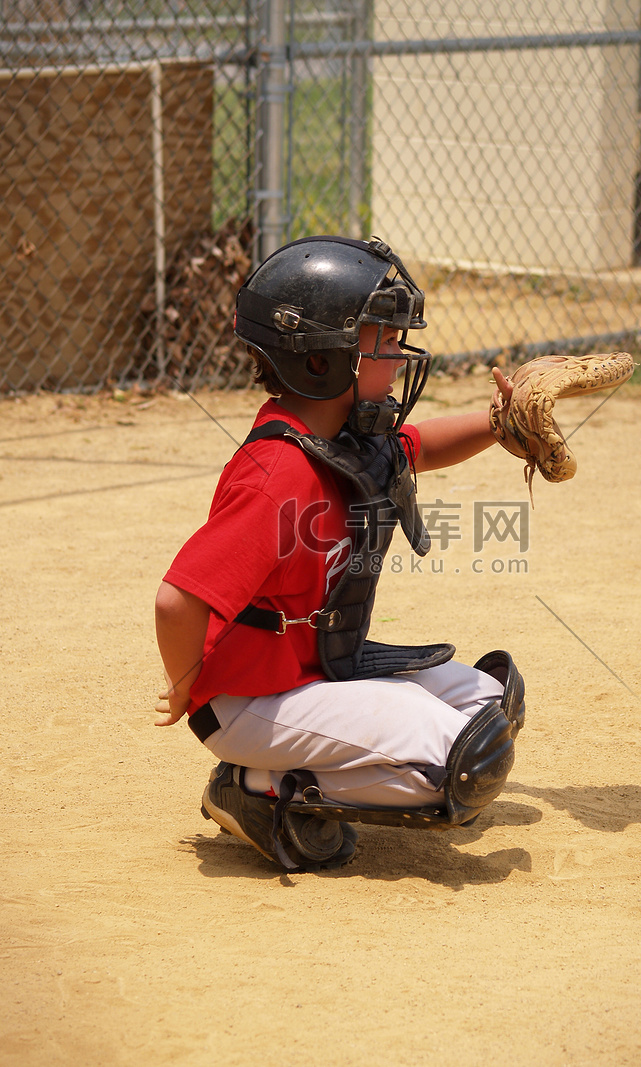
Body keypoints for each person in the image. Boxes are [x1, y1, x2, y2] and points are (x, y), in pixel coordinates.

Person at [154, 235, 525, 872]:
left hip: (313, 672)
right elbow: (177, 599)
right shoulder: (276, 474)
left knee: (489, 705)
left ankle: (279, 775)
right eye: (382, 340)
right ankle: (255, 788)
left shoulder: (350, 439)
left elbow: (424, 448)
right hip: (249, 700)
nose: (399, 353)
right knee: (465, 763)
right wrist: (189, 683)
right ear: (323, 361)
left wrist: (502, 422)